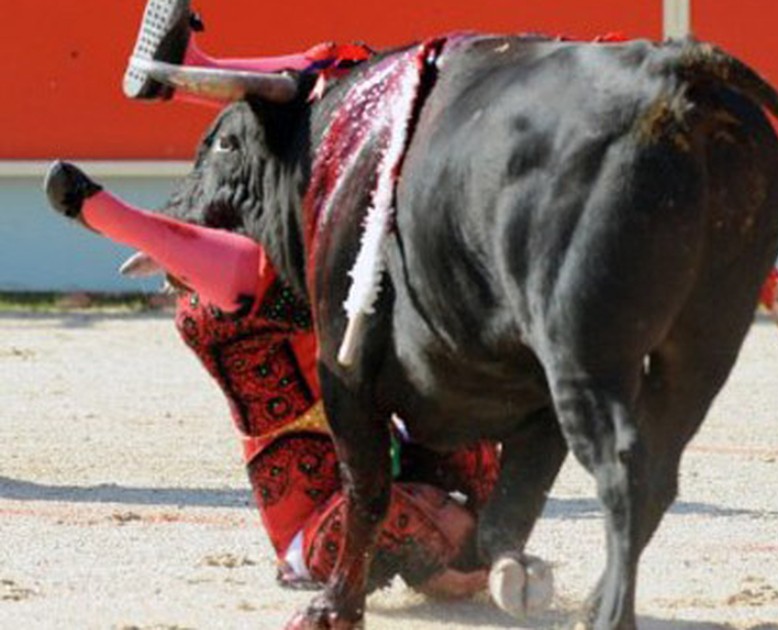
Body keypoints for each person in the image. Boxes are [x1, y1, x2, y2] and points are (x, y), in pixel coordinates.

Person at [55, 0, 502, 598]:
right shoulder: (402, 476)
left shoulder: (325, 550)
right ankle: (192, 69)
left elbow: (385, 518)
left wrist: (452, 572)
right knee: (358, 79)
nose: (433, 502)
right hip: (281, 306)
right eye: (448, 506)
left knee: (262, 294)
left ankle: (121, 218)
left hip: (257, 357)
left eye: (444, 518)